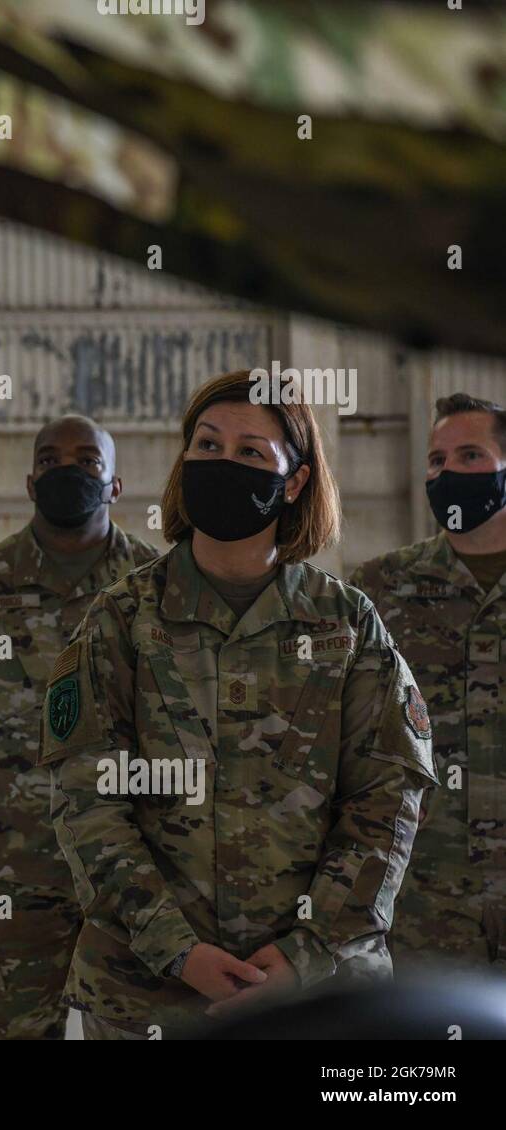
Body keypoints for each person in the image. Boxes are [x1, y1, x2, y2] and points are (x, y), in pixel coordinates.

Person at [40, 369, 439, 1038]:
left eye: (251, 452)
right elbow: (86, 800)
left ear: (295, 481)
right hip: (151, 996)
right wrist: (178, 948)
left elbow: (388, 800)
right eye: (207, 444)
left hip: (320, 995)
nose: (222, 463)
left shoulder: (347, 623)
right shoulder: (120, 620)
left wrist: (303, 953)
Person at [0, 415, 158, 1039]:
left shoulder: (161, 591)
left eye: (87, 461)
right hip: (15, 871)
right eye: (50, 461)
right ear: (29, 482)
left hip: (136, 872)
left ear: (116, 485)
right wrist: (13, 793)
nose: (67, 471)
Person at [349, 393, 506, 973]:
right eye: (437, 461)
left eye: (470, 456)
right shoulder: (380, 589)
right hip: (425, 897)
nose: (447, 473)